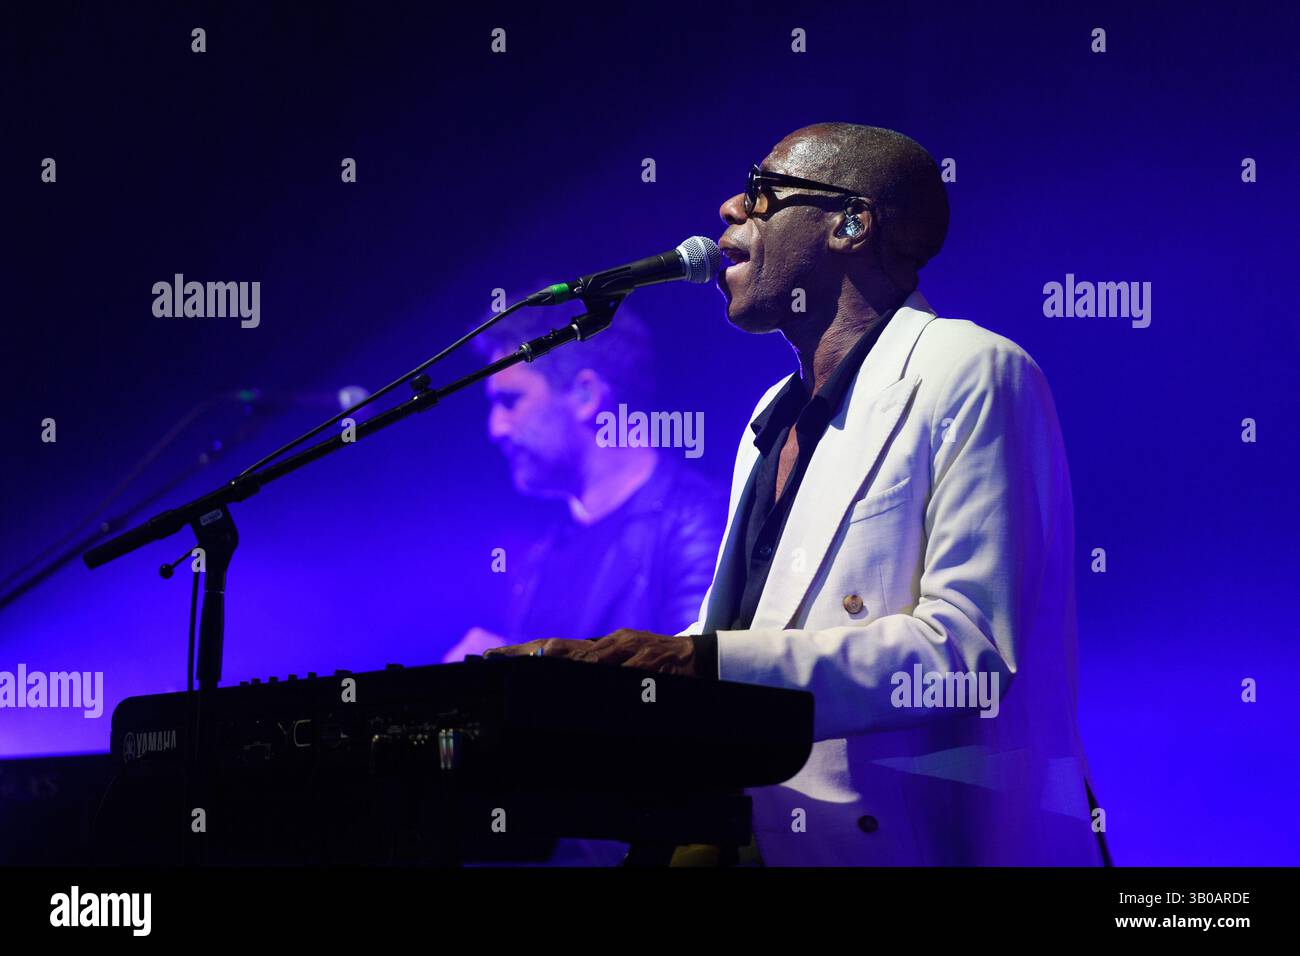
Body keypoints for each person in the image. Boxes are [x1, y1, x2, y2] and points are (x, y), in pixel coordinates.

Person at [490, 123, 1107, 866]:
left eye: (760, 193)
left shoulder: (971, 368)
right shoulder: (770, 410)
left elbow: (968, 654)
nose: (728, 209)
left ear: (850, 223)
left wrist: (704, 663)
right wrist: (591, 675)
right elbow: (757, 626)